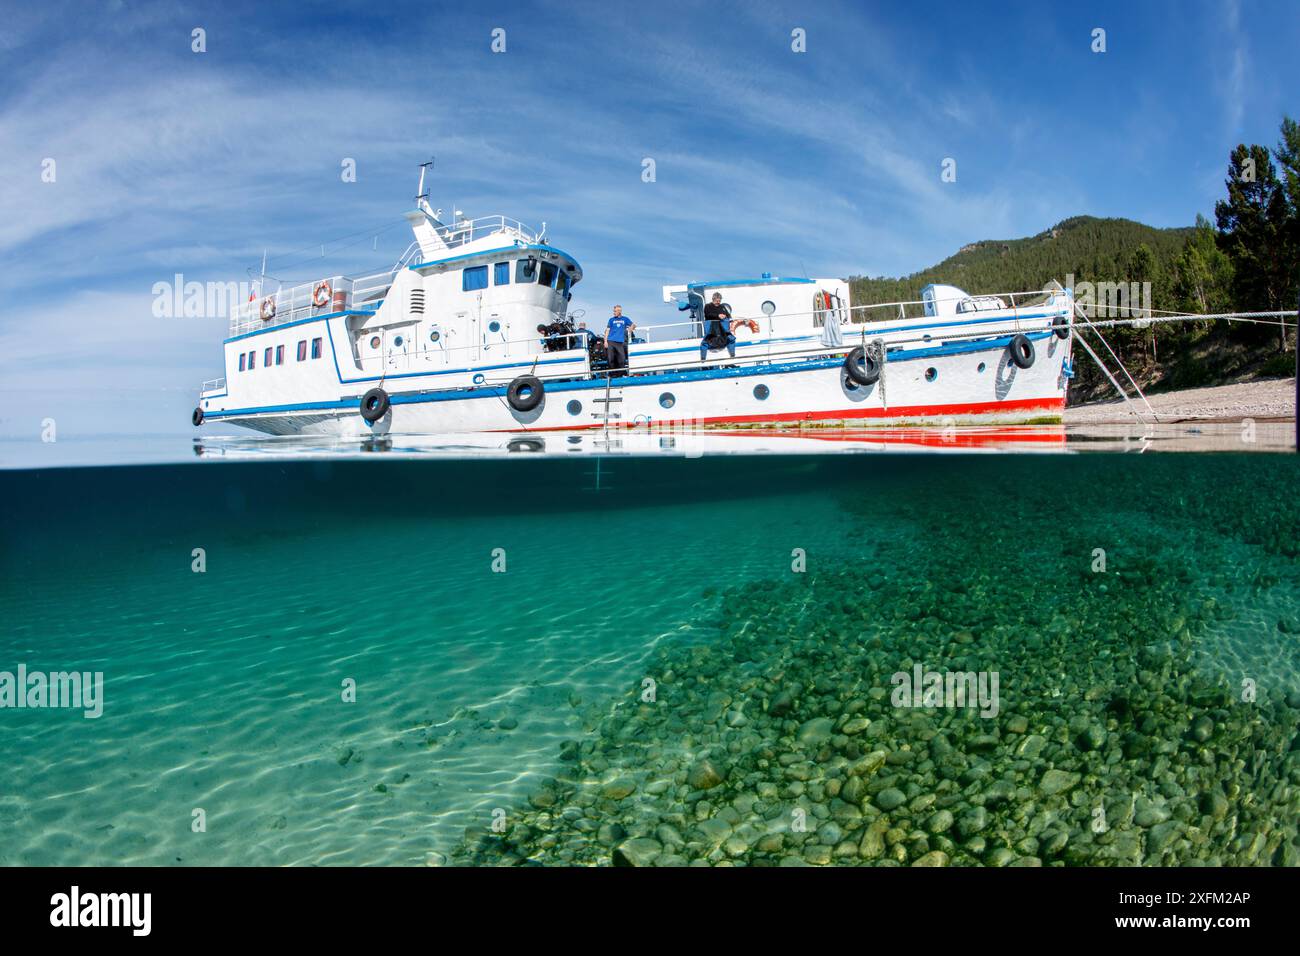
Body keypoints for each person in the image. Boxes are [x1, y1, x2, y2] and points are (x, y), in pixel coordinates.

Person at [700, 292, 736, 362]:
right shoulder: (708, 306)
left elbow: (728, 316)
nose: (718, 302)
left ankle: (732, 354)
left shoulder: (722, 307)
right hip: (712, 328)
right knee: (704, 342)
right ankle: (703, 358)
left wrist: (726, 316)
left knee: (731, 339)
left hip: (723, 328)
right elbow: (707, 315)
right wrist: (718, 316)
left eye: (719, 301)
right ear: (713, 299)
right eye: (717, 301)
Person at [605, 305, 634, 375]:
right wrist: (605, 341)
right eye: (613, 311)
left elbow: (633, 325)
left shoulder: (625, 319)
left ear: (619, 311)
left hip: (620, 342)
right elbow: (607, 330)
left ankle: (621, 374)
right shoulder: (611, 320)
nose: (614, 313)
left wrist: (631, 328)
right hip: (611, 341)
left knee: (622, 359)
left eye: (615, 311)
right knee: (610, 359)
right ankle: (612, 374)